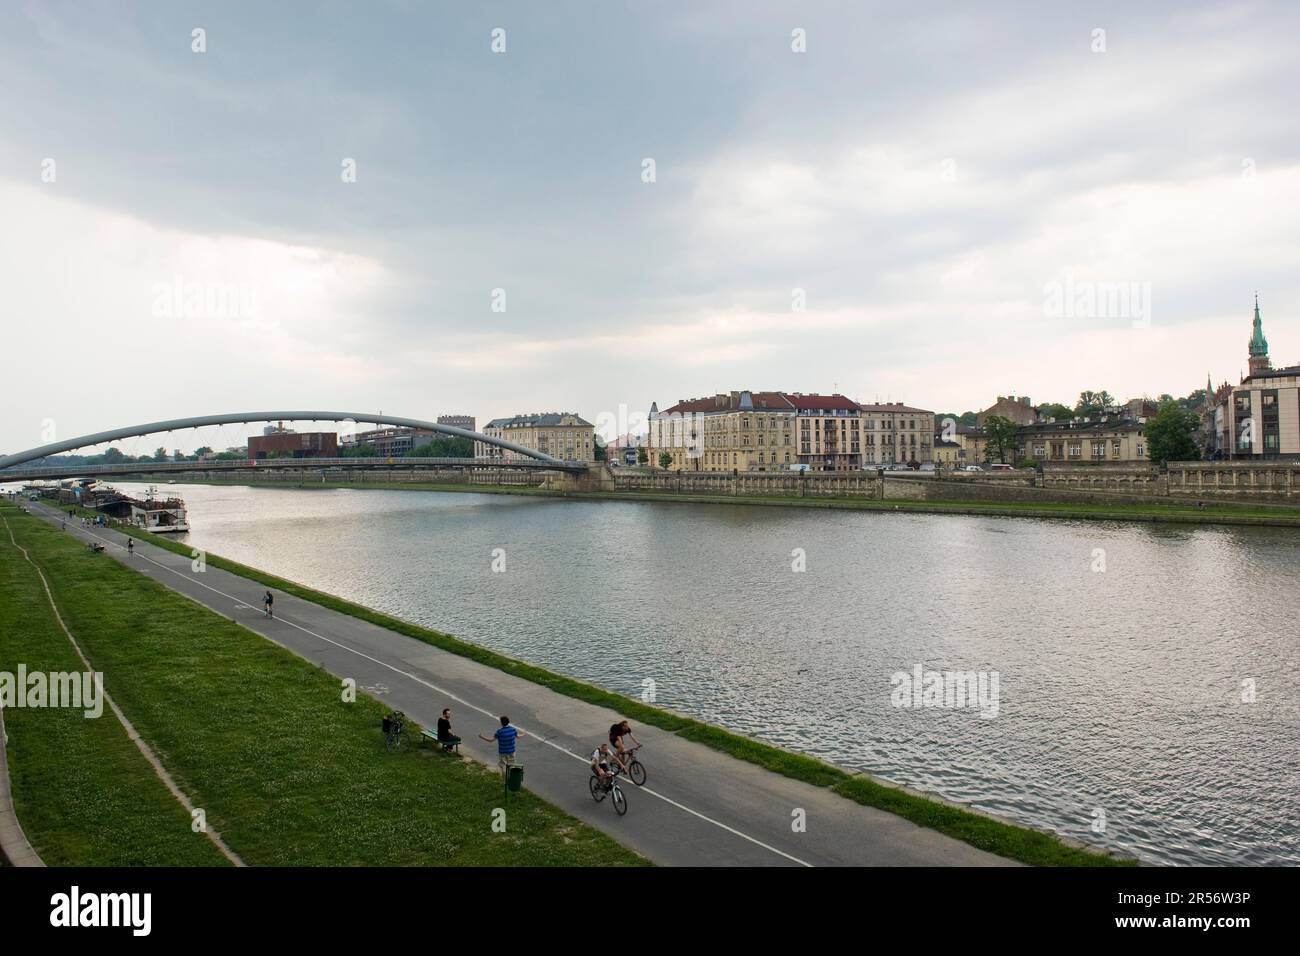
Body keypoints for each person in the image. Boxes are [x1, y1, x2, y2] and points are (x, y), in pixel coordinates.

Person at [479, 715, 526, 783]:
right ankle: (512, 779)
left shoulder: (499, 732)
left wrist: (482, 737)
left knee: (503, 766)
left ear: (501, 723)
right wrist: (524, 733)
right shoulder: (513, 729)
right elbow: (518, 736)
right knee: (511, 765)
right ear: (508, 722)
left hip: (503, 752)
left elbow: (491, 740)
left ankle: (504, 781)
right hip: (511, 751)